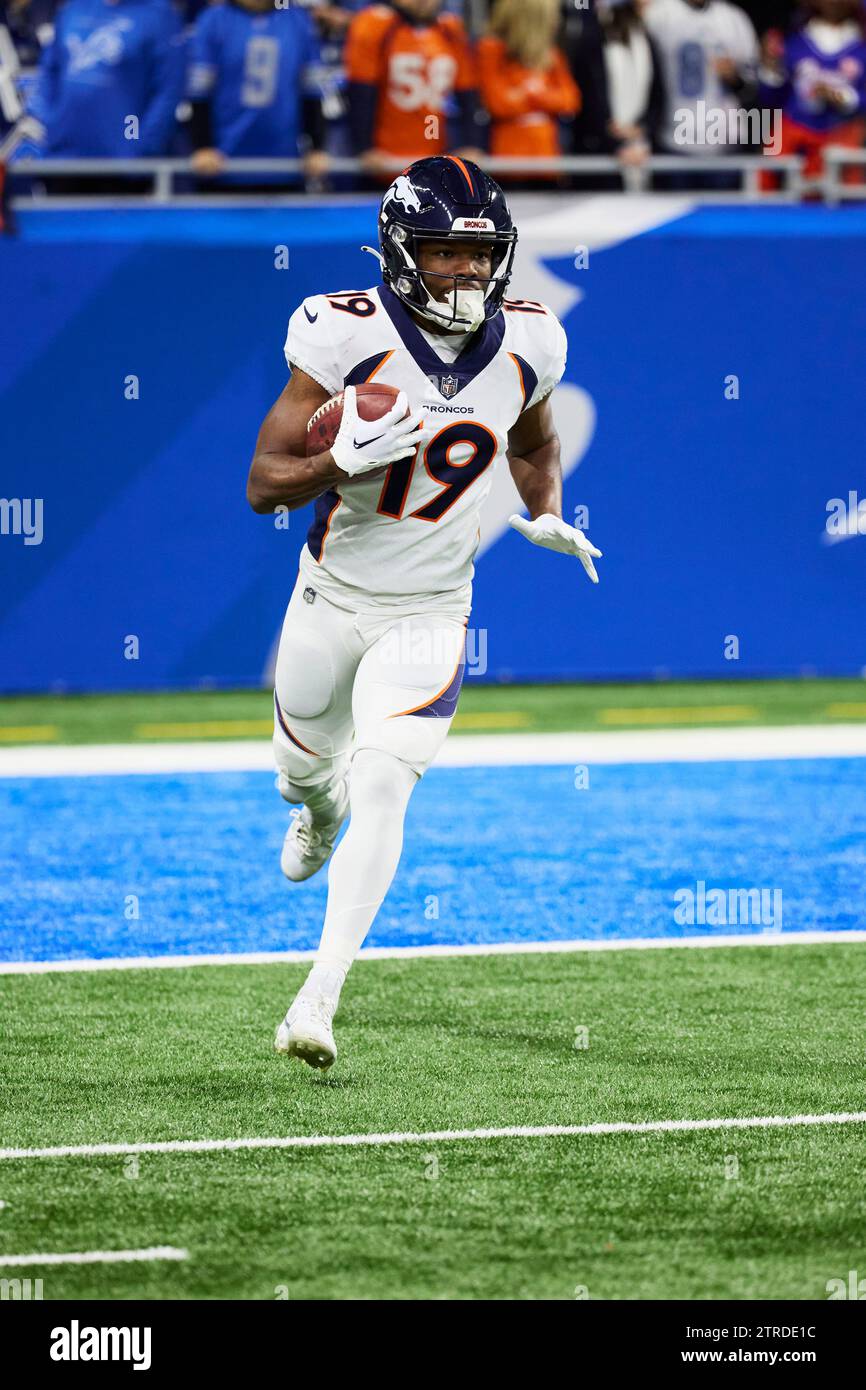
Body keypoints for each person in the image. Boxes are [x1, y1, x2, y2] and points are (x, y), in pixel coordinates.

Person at [246, 155, 603, 1070]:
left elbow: (535, 439)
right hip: (331, 596)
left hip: (434, 607)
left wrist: (550, 507)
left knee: (388, 781)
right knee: (303, 773)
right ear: (402, 250)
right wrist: (339, 461)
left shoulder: (529, 341)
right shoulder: (340, 332)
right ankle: (311, 808)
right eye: (443, 253)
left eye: (478, 255)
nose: (464, 273)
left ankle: (317, 1000)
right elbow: (261, 485)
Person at [187, 0, 327, 188]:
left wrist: (317, 147)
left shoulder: (297, 20)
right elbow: (200, 91)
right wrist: (203, 146)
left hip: (286, 164)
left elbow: (311, 90)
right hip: (222, 164)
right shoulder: (213, 20)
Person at [344, 0, 483, 177]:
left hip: (434, 158)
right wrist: (364, 147)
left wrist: (473, 144)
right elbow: (361, 92)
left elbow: (468, 94)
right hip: (384, 162)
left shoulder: (450, 29)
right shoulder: (375, 24)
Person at [34, 0, 184, 164]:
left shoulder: (159, 15)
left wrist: (142, 146)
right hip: (64, 154)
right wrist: (51, 123)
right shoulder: (73, 8)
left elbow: (168, 91)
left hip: (123, 158)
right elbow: (49, 71)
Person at [643, 0, 760, 180]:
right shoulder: (658, 14)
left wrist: (735, 78)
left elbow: (753, 88)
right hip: (673, 141)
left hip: (723, 144)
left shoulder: (733, 19)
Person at [759, 0, 866, 185]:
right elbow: (770, 100)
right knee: (777, 142)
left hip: (842, 134)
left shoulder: (860, 45)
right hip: (796, 132)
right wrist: (771, 68)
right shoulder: (795, 42)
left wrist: (844, 98)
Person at [476, 0, 581, 173]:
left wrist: (530, 95)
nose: (557, 22)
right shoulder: (491, 50)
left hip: (548, 160)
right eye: (551, 16)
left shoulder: (551, 55)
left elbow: (570, 100)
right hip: (507, 161)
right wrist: (544, 97)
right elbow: (498, 104)